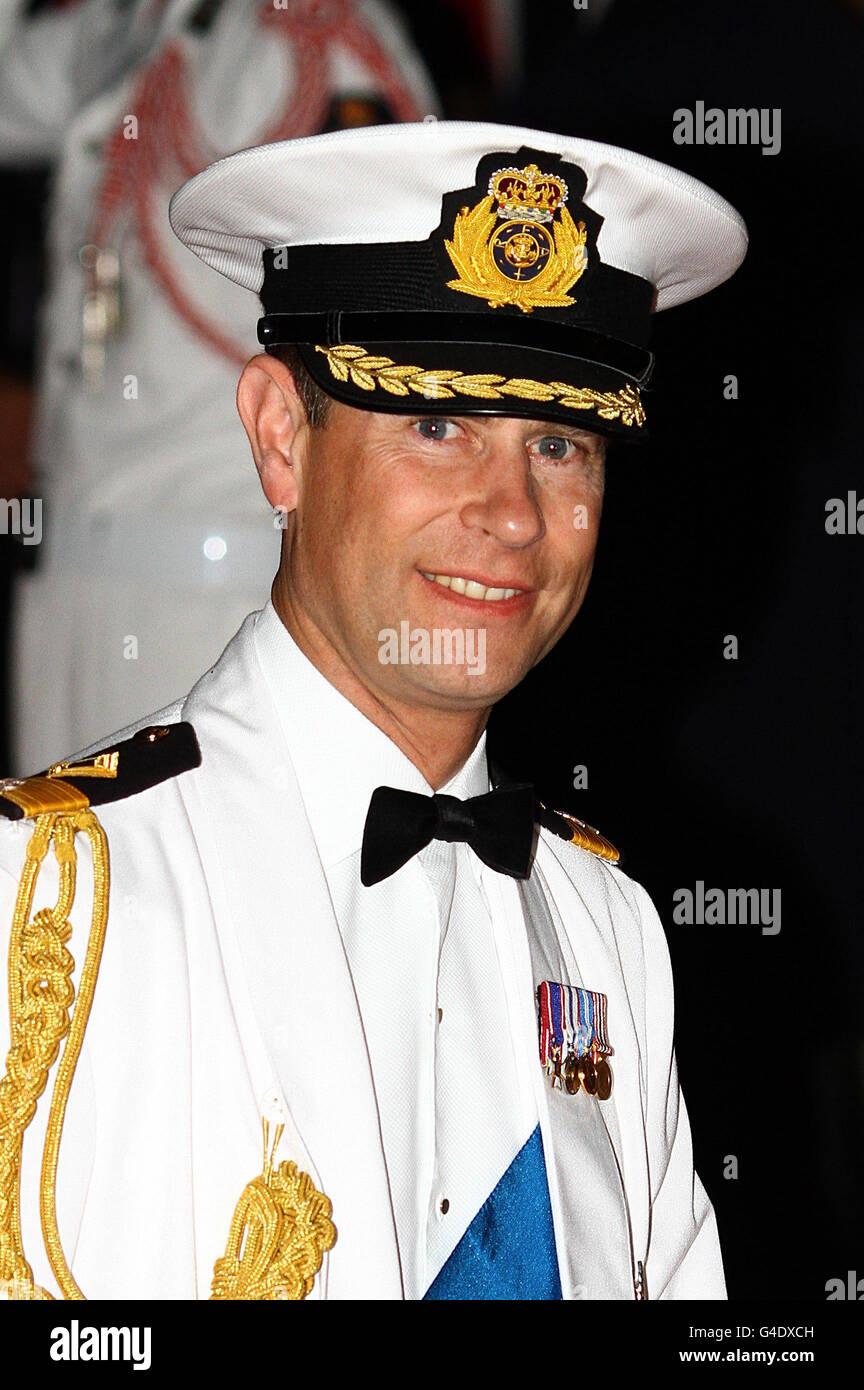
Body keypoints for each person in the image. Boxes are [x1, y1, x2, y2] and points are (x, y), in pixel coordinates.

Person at [0, 119, 747, 1302]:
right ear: (281, 436)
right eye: (438, 425)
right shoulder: (54, 901)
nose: (509, 514)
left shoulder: (611, 929)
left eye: (560, 443)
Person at [0, 0, 436, 774]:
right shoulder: (131, 22)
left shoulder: (320, 34)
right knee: (56, 885)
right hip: (72, 579)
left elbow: (386, 288)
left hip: (215, 591)